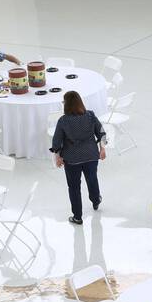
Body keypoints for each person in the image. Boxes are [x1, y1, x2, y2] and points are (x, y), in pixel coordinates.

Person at [51, 91, 105, 225]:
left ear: (67, 104)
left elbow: (56, 142)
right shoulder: (90, 115)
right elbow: (102, 132)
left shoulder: (63, 121)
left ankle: (77, 216)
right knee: (92, 179)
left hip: (72, 159)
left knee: (74, 187)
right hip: (91, 155)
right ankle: (96, 200)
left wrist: (57, 157)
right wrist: (102, 148)